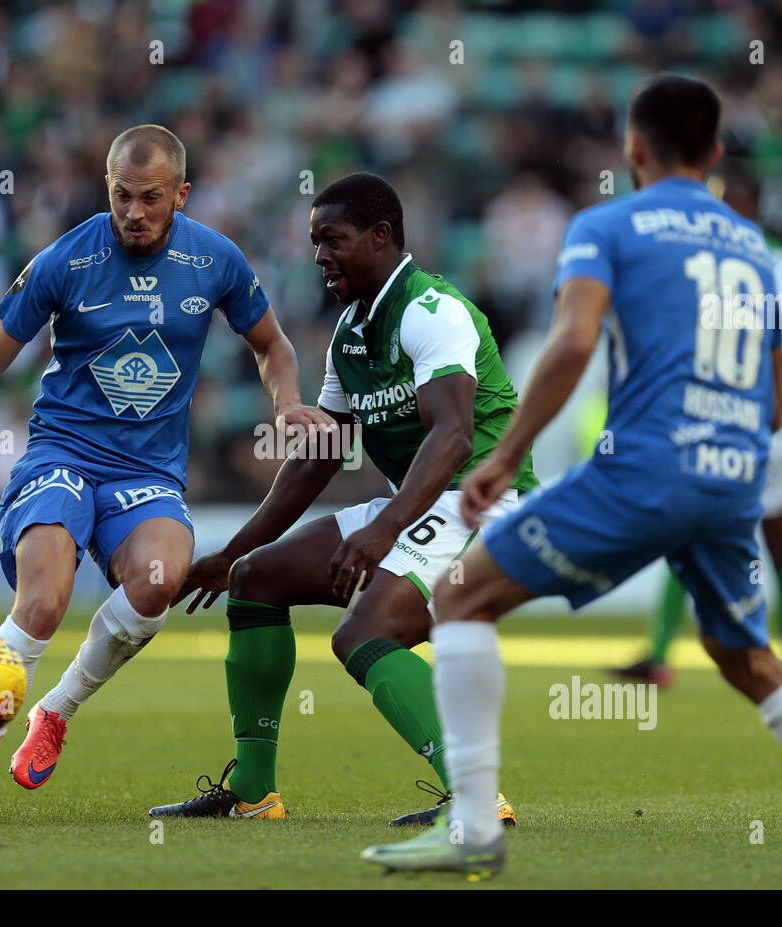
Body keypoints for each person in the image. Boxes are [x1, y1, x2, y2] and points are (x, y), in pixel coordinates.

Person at [361, 77, 782, 882]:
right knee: (747, 658)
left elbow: (570, 344)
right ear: (718, 153)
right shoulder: (752, 248)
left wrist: (501, 454)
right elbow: (771, 396)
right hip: (735, 474)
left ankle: (475, 828)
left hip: (644, 469)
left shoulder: (606, 225)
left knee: (460, 597)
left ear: (633, 148)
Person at [0, 124, 334, 823]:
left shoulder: (216, 260)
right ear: (108, 188)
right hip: (61, 453)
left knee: (159, 582)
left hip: (146, 470)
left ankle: (55, 711)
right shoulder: (67, 259)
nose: (135, 212)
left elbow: (270, 344)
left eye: (152, 198)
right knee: (43, 602)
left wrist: (290, 402)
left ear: (181, 194)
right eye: (123, 195)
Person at [150, 173, 535, 825]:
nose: (320, 254)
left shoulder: (430, 310)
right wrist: (232, 551)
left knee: (366, 632)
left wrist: (385, 526)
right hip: (424, 505)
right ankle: (252, 788)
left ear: (381, 238)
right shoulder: (351, 334)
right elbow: (320, 456)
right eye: (314, 241)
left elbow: (453, 434)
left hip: (485, 505)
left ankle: (474, 795)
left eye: (334, 239)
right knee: (255, 579)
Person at [614, 162, 782, 685]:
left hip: (772, 418)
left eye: (736, 200)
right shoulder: (710, 257)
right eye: (722, 199)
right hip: (715, 413)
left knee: (776, 535)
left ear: (754, 205)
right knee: (687, 527)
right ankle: (657, 656)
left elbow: (777, 345)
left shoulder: (779, 261)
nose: (727, 210)